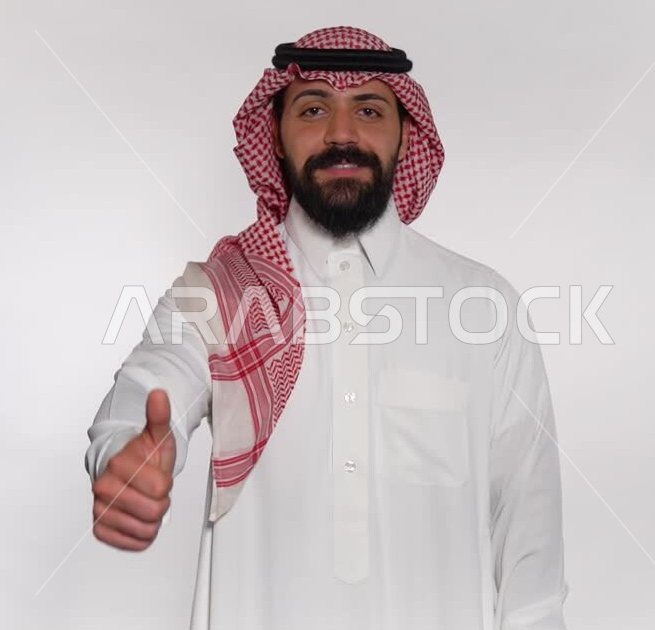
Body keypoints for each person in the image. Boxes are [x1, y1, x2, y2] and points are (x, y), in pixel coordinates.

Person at [84, 25, 569, 630]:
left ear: (403, 136)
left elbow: (531, 546)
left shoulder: (484, 306)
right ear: (277, 136)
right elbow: (147, 390)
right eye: (313, 109)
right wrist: (127, 457)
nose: (342, 134)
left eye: (369, 109)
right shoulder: (218, 293)